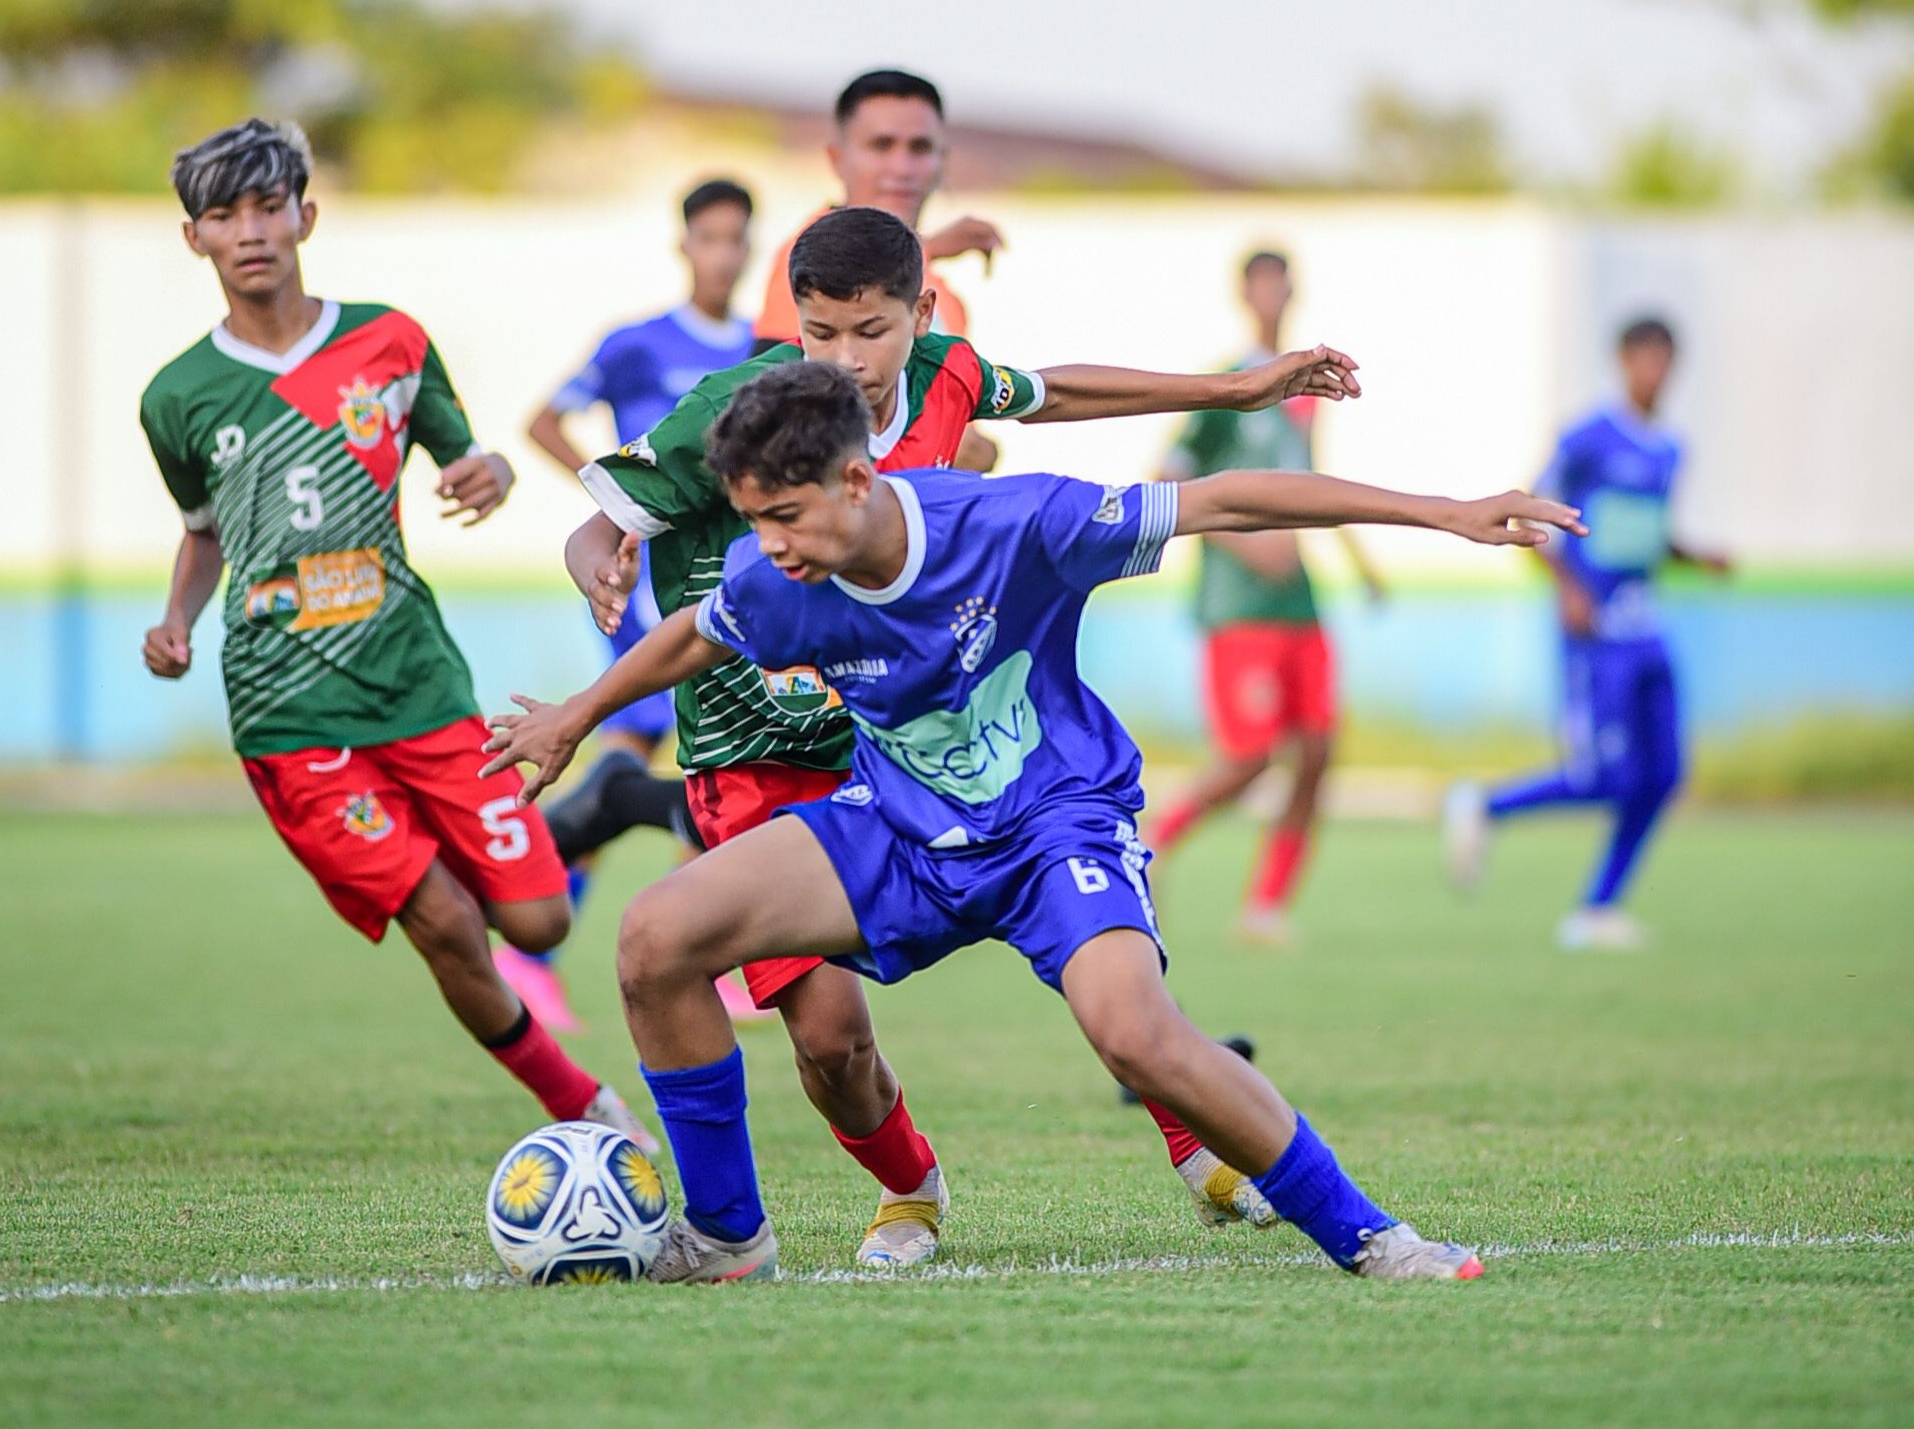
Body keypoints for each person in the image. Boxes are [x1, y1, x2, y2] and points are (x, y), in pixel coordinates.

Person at [484, 359, 1586, 1281]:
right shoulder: (772, 572)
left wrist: (1441, 512)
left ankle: (1374, 1239)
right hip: (899, 827)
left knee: (1135, 1034)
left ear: (859, 478)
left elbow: (1227, 500)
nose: (767, 543)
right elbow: (697, 629)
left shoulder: (1017, 522)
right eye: (751, 517)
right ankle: (730, 1238)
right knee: (655, 937)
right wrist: (578, 714)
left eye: (784, 515)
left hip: (1055, 823)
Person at [557, 205, 1365, 1267]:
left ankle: (1203, 1144)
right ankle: (907, 1186)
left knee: (1085, 930)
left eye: (870, 331)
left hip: (894, 733)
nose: (848, 361)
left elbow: (1056, 392)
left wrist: (1233, 388)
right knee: (829, 1040)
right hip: (759, 758)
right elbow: (603, 524)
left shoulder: (946, 374)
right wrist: (599, 568)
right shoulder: (746, 413)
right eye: (822, 333)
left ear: (918, 313)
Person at [136, 118, 653, 1152]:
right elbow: (204, 533)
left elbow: (474, 460)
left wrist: (492, 474)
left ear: (305, 215)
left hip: (418, 684)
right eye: (224, 214)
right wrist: (175, 619)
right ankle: (584, 1107)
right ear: (195, 238)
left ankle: (580, 812)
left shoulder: (392, 343)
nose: (250, 231)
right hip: (291, 715)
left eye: (267, 206)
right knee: (447, 922)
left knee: (541, 919)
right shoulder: (177, 397)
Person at [502, 178, 764, 1031]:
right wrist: (612, 506)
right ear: (683, 245)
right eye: (709, 237)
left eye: (736, 238)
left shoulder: (764, 347)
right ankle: (532, 951)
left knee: (675, 758)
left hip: (730, 581)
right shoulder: (638, 344)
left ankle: (707, 950)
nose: (723, 254)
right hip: (648, 583)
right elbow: (544, 421)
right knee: (654, 751)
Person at [1443, 317, 1728, 951]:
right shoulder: (1587, 438)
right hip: (1596, 631)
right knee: (1600, 773)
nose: (1655, 372)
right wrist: (1568, 588)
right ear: (1623, 362)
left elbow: (1645, 534)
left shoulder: (1669, 449)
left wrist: (1695, 556)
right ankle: (1485, 806)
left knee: (1663, 775)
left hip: (1645, 627)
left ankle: (1599, 908)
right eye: (1645, 358)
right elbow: (1529, 506)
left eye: (1665, 360)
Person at [1144, 250, 1387, 944]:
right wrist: (1246, 543)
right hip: (1238, 605)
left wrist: (1358, 559)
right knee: (1250, 757)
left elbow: (1312, 484)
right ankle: (1153, 840)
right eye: (1262, 284)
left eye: (1282, 283)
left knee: (1317, 752)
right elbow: (1166, 480)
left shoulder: (1303, 395)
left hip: (1298, 602)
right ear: (1244, 294)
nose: (1273, 295)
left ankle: (1266, 906)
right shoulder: (1228, 387)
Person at [753, 68, 1003, 472]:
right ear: (837, 158)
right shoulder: (809, 259)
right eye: (881, 145)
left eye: (920, 148)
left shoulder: (939, 292)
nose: (902, 167)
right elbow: (773, 422)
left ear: (943, 160)